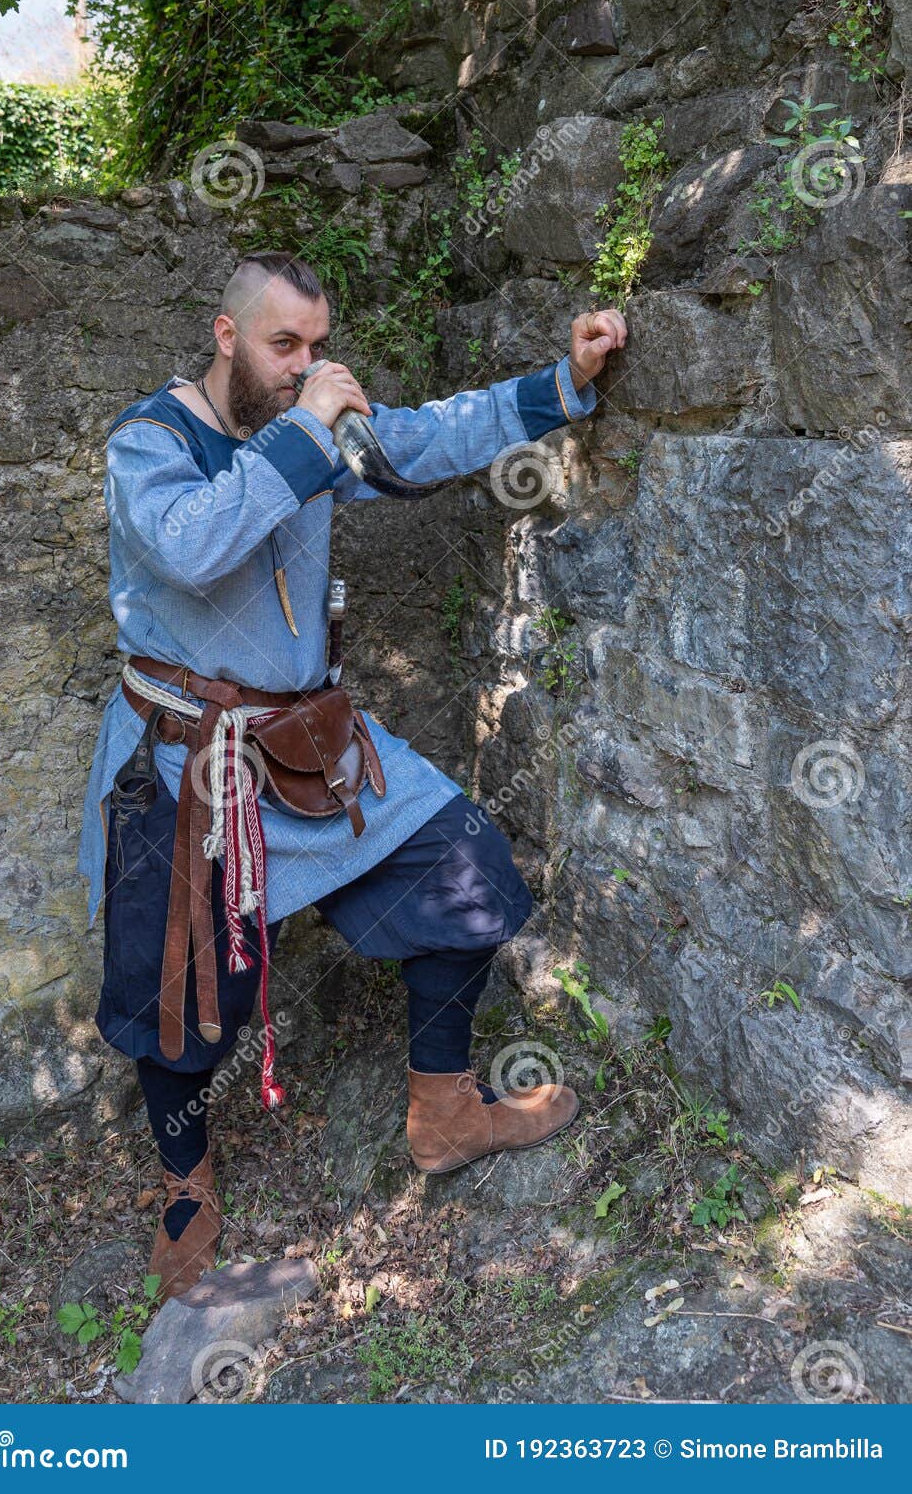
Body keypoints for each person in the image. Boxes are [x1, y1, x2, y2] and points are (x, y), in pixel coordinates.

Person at [76, 249, 625, 1302]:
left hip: (312, 742)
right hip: (184, 762)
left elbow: (428, 438)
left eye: (318, 347)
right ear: (228, 335)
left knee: (466, 868)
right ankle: (184, 1180)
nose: (305, 365)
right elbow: (193, 547)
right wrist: (301, 431)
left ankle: (446, 1110)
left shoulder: (315, 432)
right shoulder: (150, 440)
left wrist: (564, 383)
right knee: (178, 996)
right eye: (285, 345)